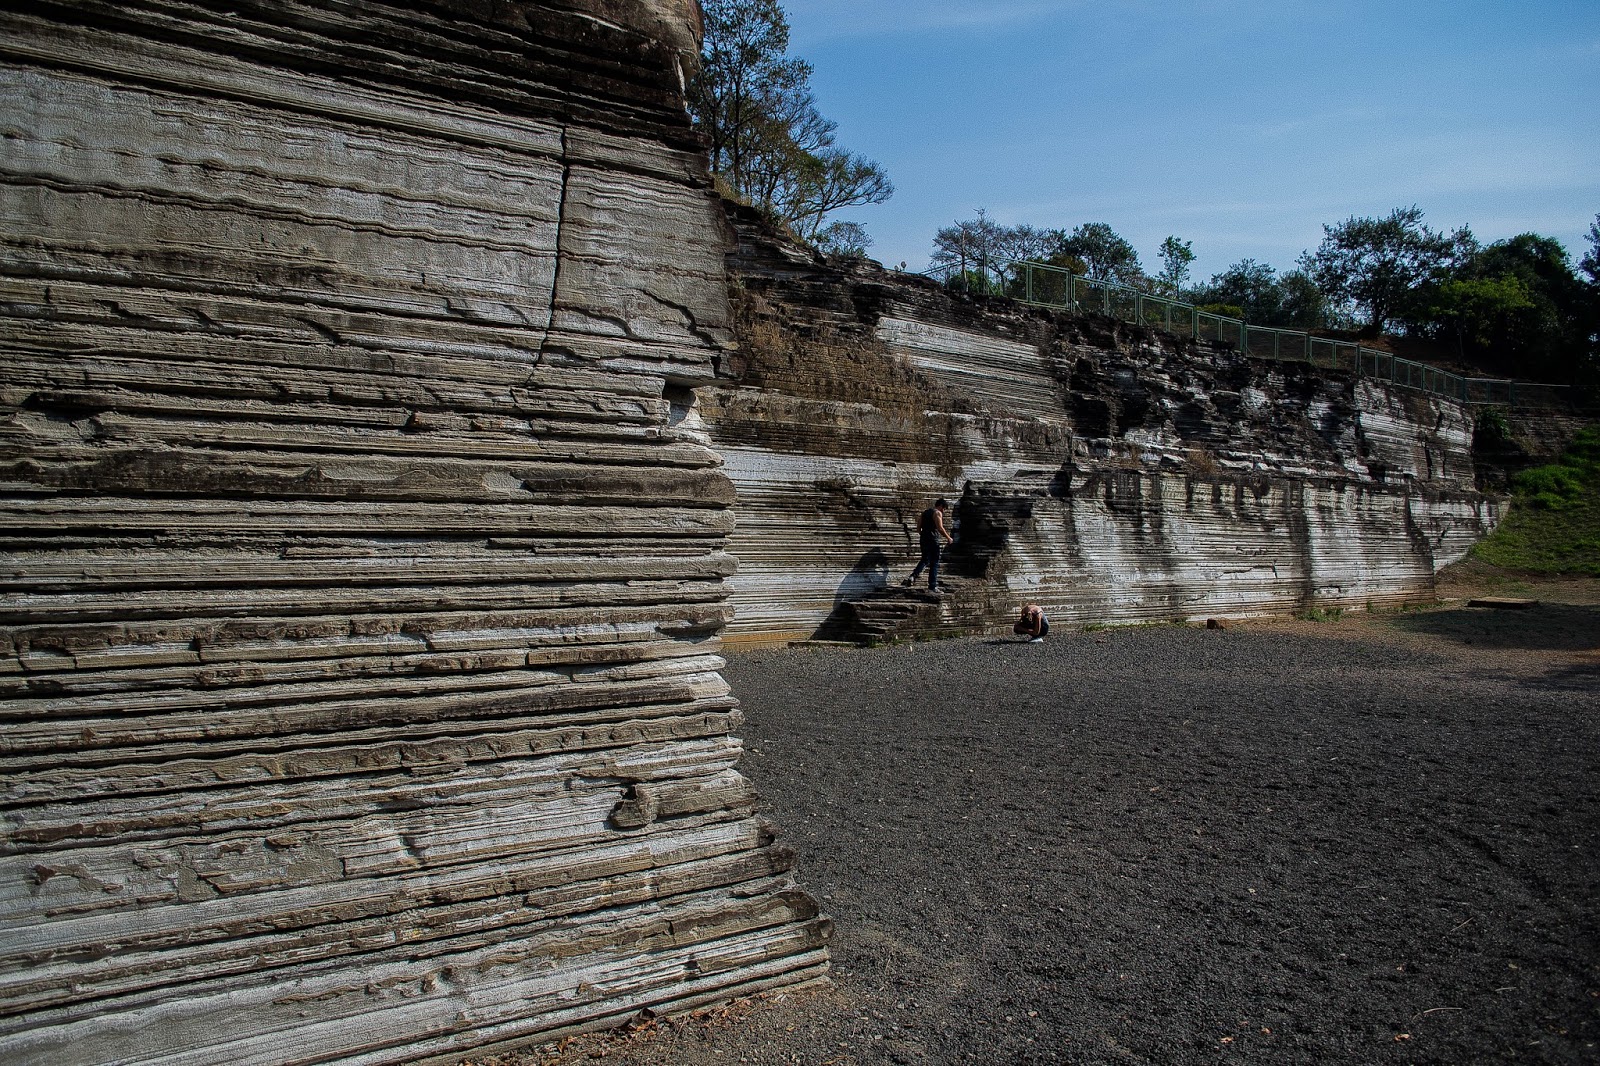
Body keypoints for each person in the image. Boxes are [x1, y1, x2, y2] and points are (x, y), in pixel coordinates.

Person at [905, 498, 952, 592]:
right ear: (940, 506)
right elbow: (940, 528)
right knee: (934, 562)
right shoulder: (937, 513)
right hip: (933, 540)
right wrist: (948, 537)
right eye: (944, 508)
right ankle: (932, 586)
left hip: (923, 539)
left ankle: (913, 576)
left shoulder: (924, 513)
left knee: (925, 559)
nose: (944, 511)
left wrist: (924, 536)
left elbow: (918, 528)